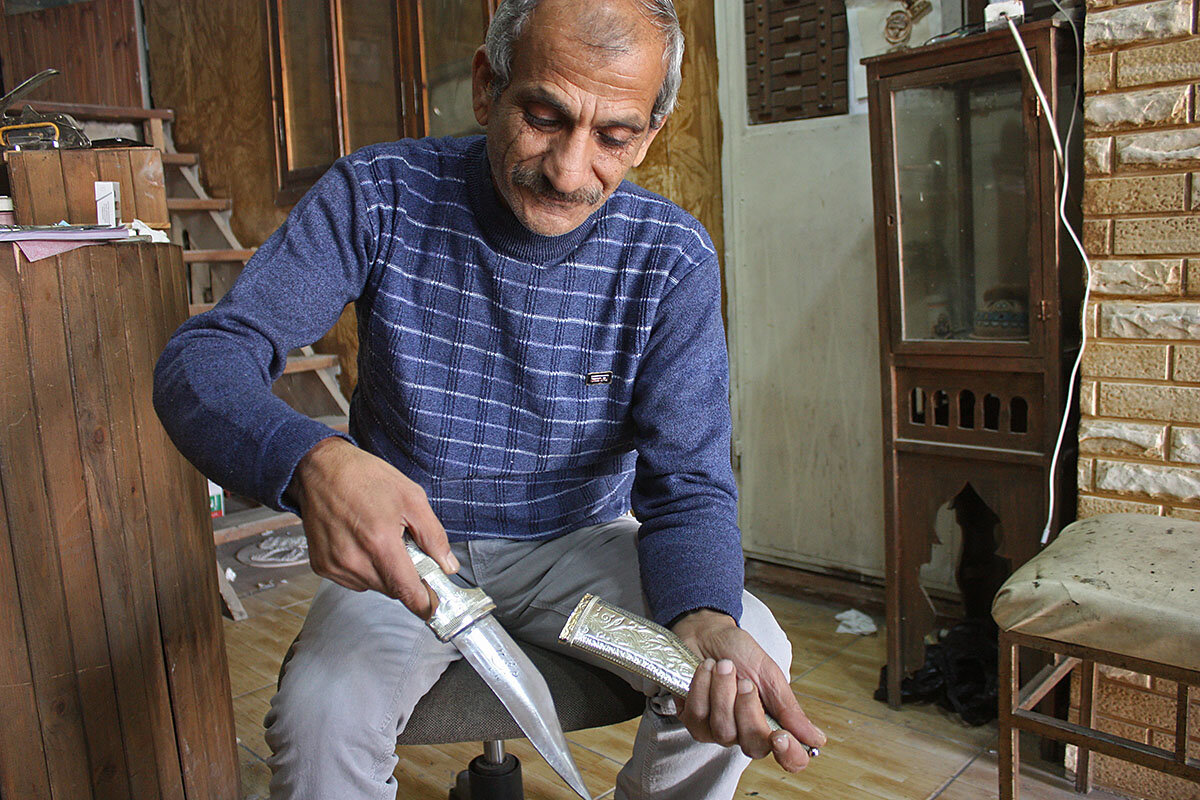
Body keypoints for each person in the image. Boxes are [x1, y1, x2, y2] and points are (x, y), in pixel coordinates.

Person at [153, 0, 825, 797]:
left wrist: (705, 611)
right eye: (543, 117)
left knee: (741, 664)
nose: (569, 171)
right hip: (411, 554)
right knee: (322, 717)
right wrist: (313, 462)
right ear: (486, 87)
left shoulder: (671, 258)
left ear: (650, 133)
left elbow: (688, 482)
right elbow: (204, 359)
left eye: (614, 136)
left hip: (579, 544)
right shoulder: (379, 195)